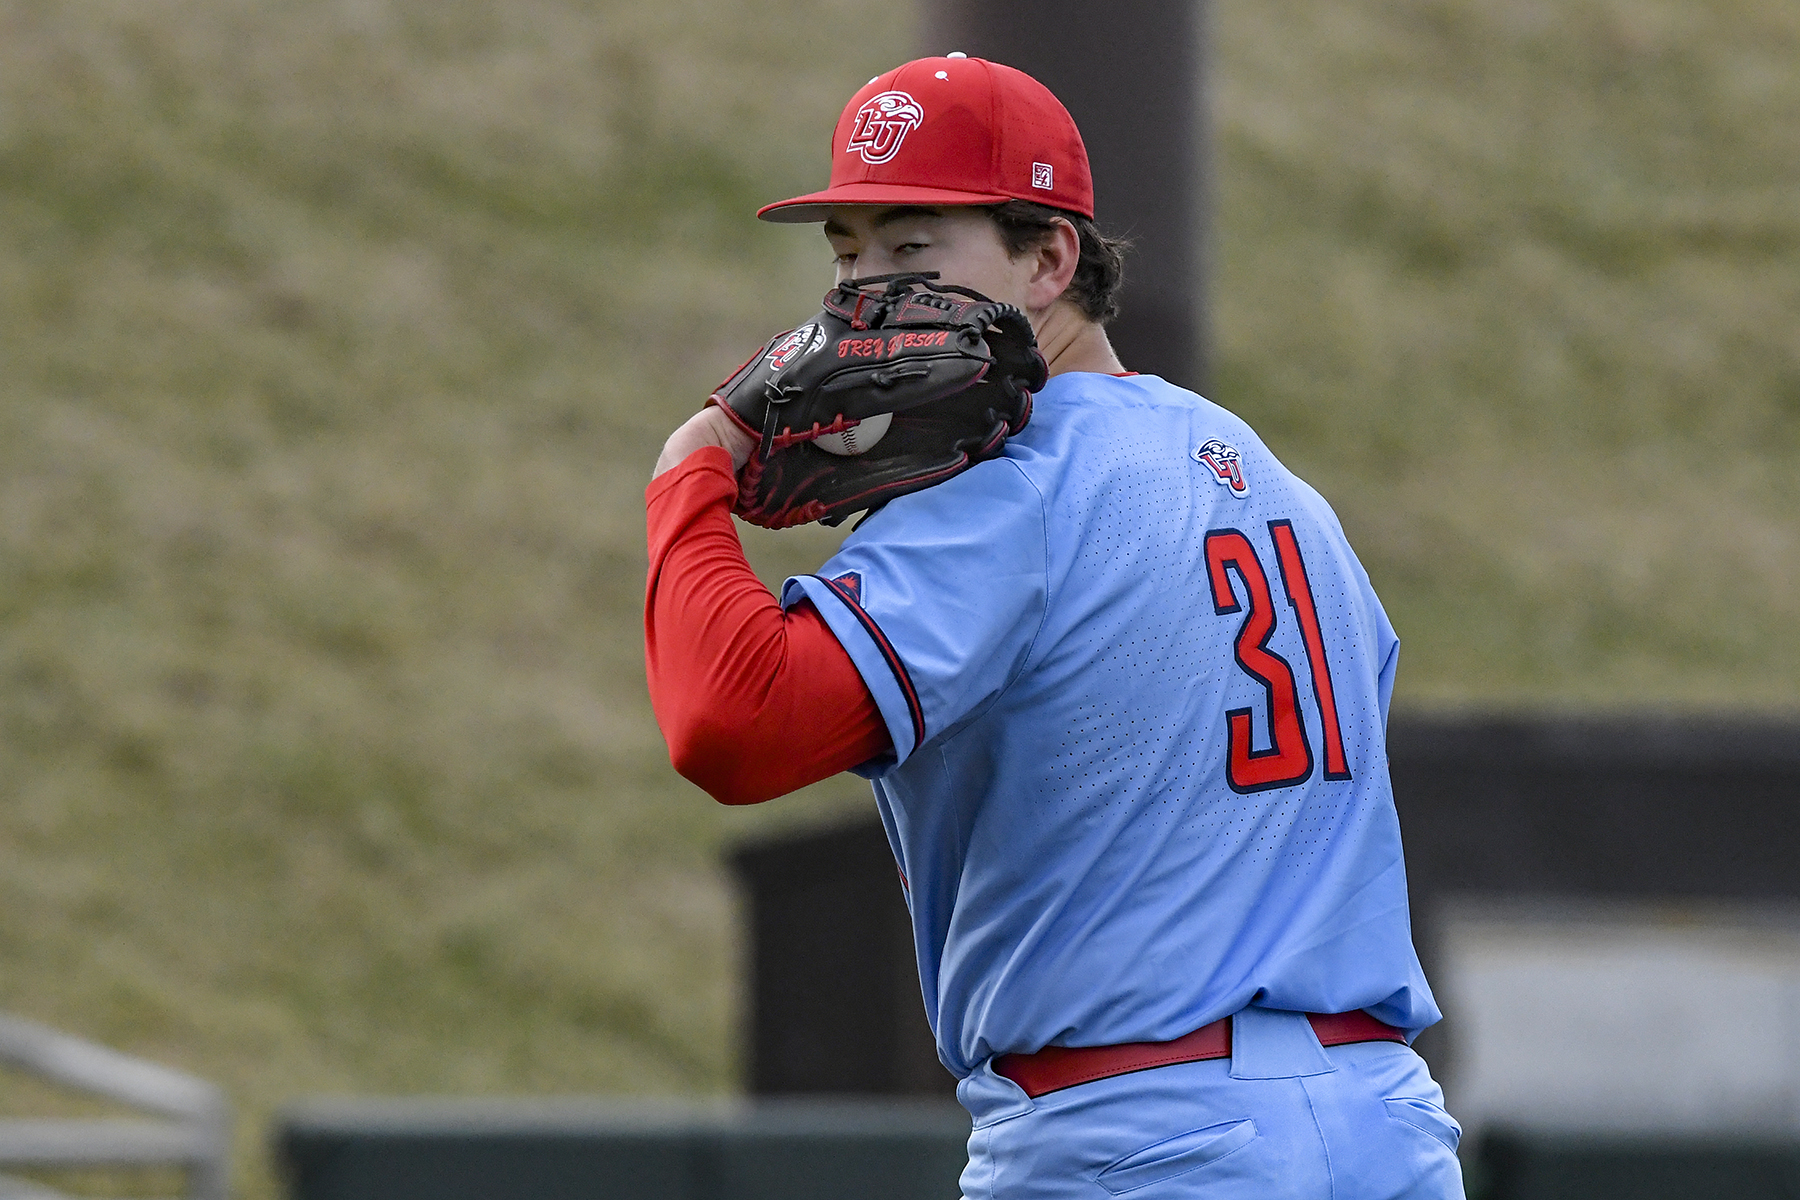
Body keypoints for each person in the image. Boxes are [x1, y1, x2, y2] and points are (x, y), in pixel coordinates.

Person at [644, 54, 1464, 1200]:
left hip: (1141, 1138)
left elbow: (735, 723)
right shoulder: (1270, 479)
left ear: (1049, 260)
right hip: (1384, 1132)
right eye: (846, 255)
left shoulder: (1008, 490)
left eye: (912, 250)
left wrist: (692, 470)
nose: (863, 296)